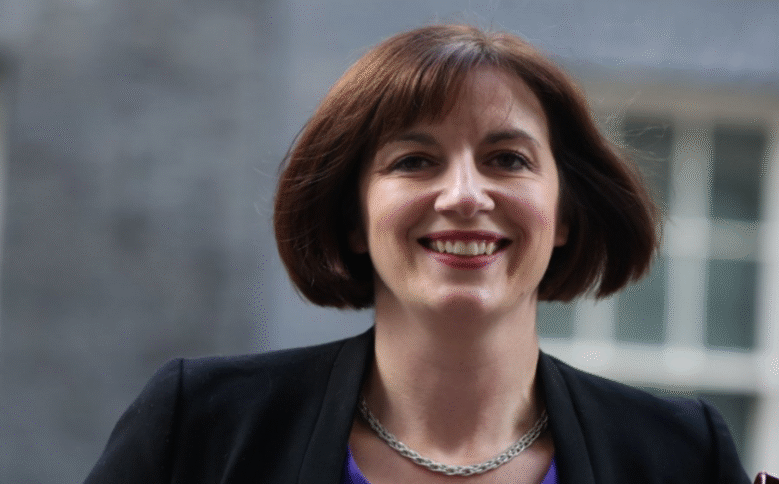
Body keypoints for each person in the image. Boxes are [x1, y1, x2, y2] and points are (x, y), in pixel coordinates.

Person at [84, 24, 750, 484]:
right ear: (354, 217)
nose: (464, 195)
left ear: (566, 214)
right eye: (415, 161)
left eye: (507, 159)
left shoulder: (679, 454)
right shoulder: (202, 427)